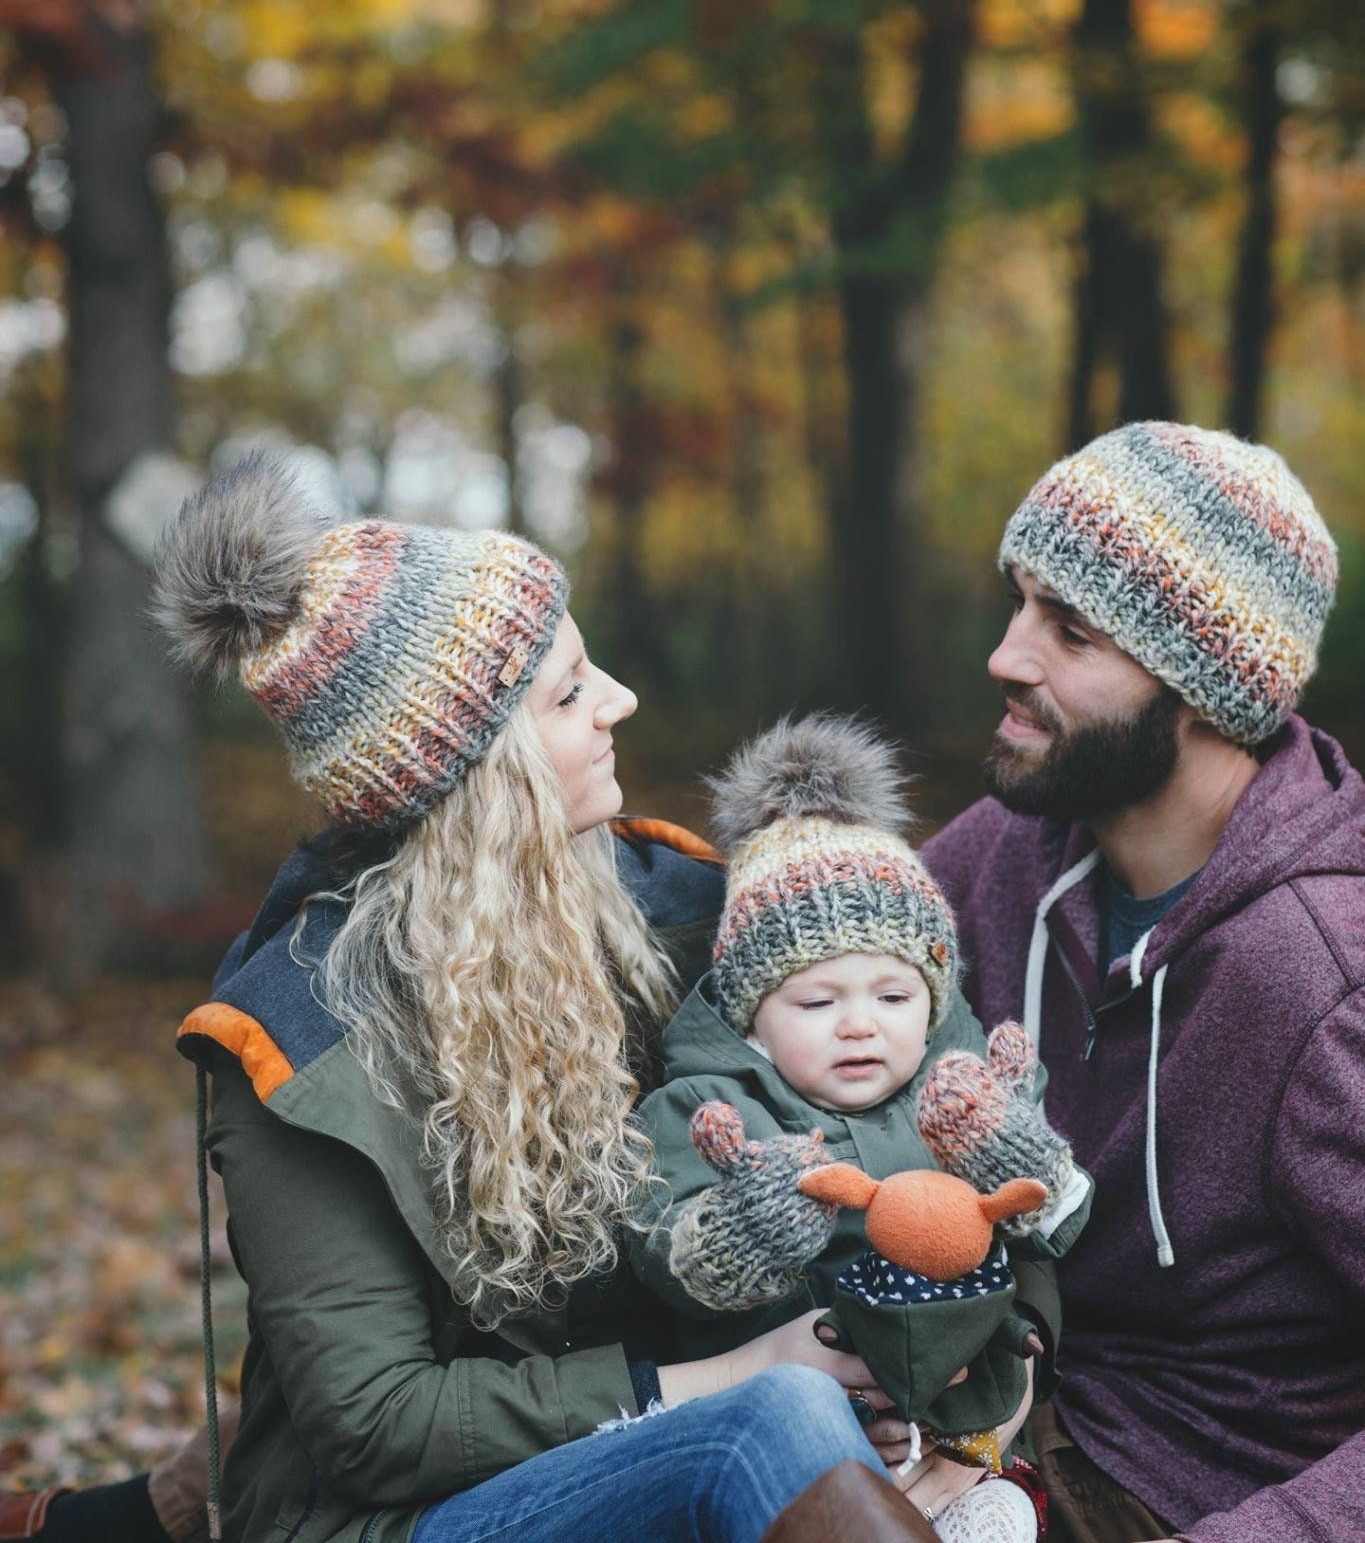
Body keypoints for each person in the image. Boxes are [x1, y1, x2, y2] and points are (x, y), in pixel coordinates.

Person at [106, 451, 957, 1543]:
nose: (621, 701)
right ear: (478, 774)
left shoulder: (681, 908)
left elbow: (892, 1121)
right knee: (771, 1419)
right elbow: (373, 1421)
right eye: (569, 689)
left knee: (809, 1426)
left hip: (694, 1451)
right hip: (414, 1516)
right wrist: (722, 1377)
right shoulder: (297, 1034)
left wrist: (922, 1397)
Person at [922, 421, 1365, 1543]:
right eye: (1020, 600)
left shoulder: (1321, 972)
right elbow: (799, 980)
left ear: (1207, 692)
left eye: (1069, 629)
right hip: (985, 1406)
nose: (1008, 655)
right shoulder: (1009, 850)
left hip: (1181, 1487)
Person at [628, 713, 1089, 1541]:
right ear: (751, 1020)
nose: (859, 1025)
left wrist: (1021, 1169)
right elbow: (668, 1252)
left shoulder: (963, 1088)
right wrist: (741, 1233)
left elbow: (1056, 1227)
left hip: (967, 1414)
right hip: (793, 1426)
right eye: (817, 1001)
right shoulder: (707, 1109)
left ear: (932, 999)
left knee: (997, 1517)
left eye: (892, 996)